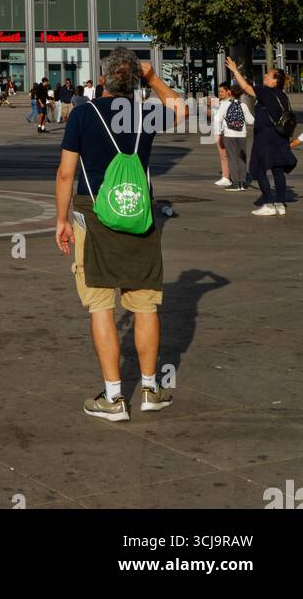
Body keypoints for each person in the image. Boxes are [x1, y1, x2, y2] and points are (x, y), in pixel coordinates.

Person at [55, 46, 187, 422]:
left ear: (102, 79)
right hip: (140, 219)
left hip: (93, 218)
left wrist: (61, 219)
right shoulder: (144, 113)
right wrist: (152, 78)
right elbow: (181, 110)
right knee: (144, 305)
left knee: (100, 306)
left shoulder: (82, 115)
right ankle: (149, 388)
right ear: (133, 82)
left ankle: (113, 397)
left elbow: (66, 173)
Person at [225, 58, 297, 215]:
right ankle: (280, 204)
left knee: (259, 170)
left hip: (265, 138)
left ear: (274, 81)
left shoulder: (264, 92)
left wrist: (235, 71)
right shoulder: (283, 96)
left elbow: (245, 87)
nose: (265, 75)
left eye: (269, 75)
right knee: (278, 170)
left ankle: (269, 204)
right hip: (281, 137)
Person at [210, 80, 253, 191]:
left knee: (232, 159)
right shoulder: (243, 105)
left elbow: (217, 119)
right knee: (242, 158)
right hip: (242, 134)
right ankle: (243, 183)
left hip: (229, 134)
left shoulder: (225, 104)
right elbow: (251, 120)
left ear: (230, 93)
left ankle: (235, 183)